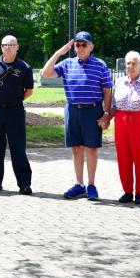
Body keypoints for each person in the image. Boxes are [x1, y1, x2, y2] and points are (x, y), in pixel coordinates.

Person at [41, 31, 113, 200]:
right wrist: (59, 53)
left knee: (92, 149)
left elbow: (107, 92)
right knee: (76, 148)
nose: (80, 47)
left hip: (93, 111)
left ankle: (91, 185)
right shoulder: (67, 63)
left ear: (91, 46)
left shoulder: (100, 65)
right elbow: (45, 73)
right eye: (77, 45)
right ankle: (79, 184)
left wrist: (107, 114)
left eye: (83, 44)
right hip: (73, 110)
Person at [0, 35, 34, 194]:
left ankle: (24, 184)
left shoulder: (24, 67)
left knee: (18, 148)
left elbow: (29, 91)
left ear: (17, 47)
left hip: (15, 111)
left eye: (11, 44)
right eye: (5, 44)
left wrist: (14, 100)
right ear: (1, 47)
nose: (8, 47)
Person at [106, 51, 140, 204]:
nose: (130, 66)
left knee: (139, 158)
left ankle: (139, 192)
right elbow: (114, 106)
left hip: (139, 122)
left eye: (134, 63)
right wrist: (106, 119)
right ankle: (127, 191)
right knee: (123, 158)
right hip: (121, 121)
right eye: (128, 63)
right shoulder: (120, 81)